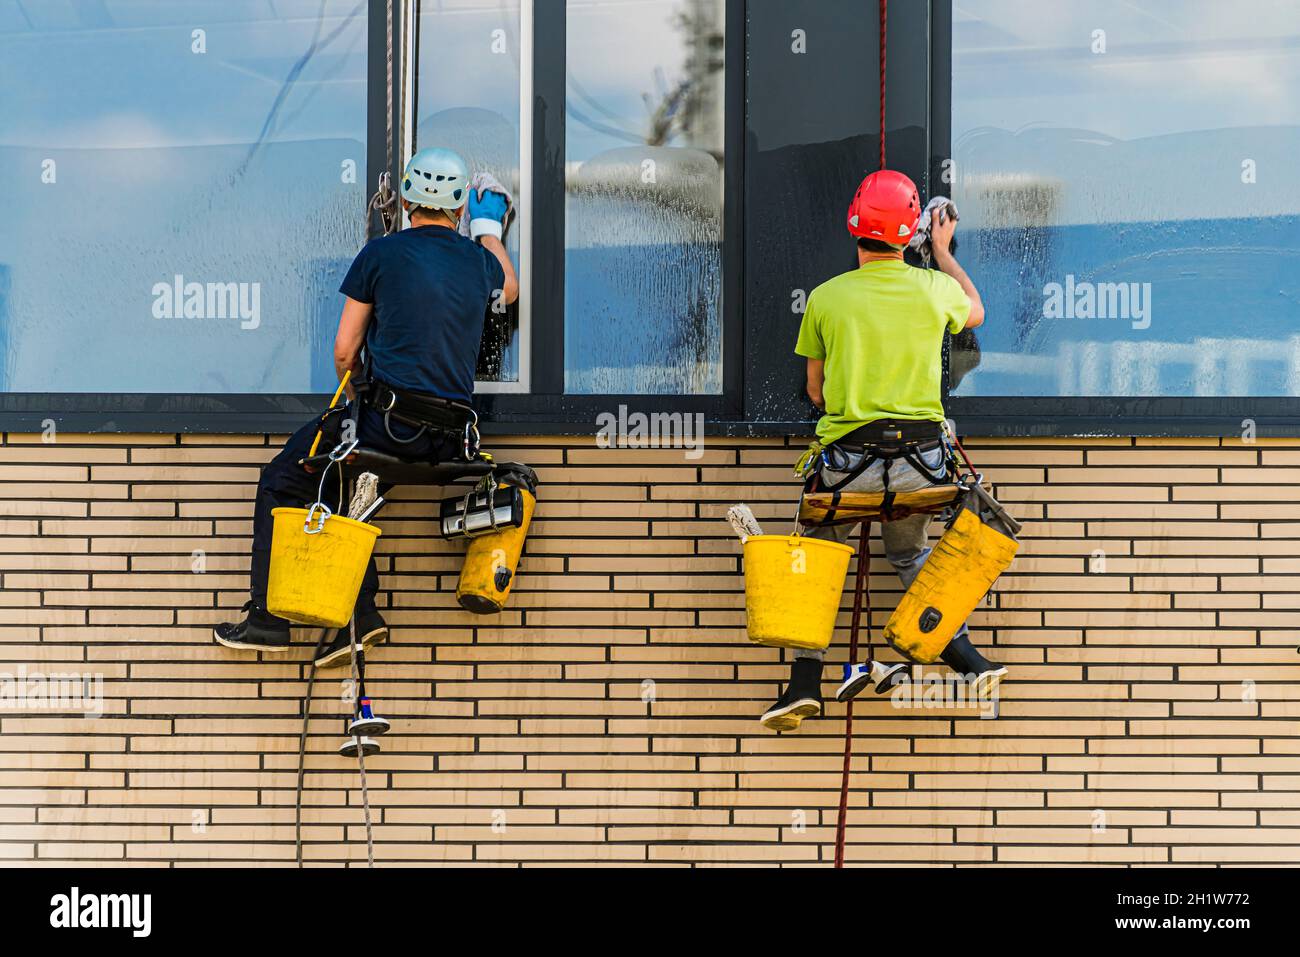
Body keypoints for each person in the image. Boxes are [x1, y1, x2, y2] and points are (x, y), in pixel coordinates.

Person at [214, 147, 518, 667]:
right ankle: (360, 617)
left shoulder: (381, 254)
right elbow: (508, 289)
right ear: (459, 208)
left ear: (404, 201)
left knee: (284, 478)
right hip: (449, 439)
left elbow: (344, 351)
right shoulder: (478, 261)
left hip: (387, 425)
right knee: (349, 488)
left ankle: (267, 618)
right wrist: (489, 223)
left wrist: (358, 404)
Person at [761, 169, 1002, 732]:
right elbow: (975, 310)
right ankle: (965, 657)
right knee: (910, 555)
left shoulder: (826, 298)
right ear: (909, 232)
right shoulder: (934, 288)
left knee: (816, 559)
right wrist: (941, 251)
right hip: (921, 469)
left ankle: (803, 683)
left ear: (855, 229)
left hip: (849, 468)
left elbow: (817, 391)